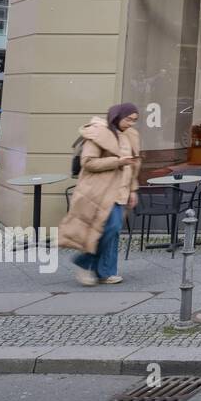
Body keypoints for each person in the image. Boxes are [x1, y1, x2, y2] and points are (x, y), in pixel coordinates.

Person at [59, 103, 141, 286]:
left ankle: (105, 272)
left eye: (134, 120)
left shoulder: (131, 136)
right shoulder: (99, 133)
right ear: (117, 116)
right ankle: (84, 261)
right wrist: (117, 162)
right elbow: (88, 162)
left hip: (122, 191)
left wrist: (133, 189)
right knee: (110, 228)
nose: (131, 124)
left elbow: (134, 166)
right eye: (128, 119)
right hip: (101, 191)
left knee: (114, 232)